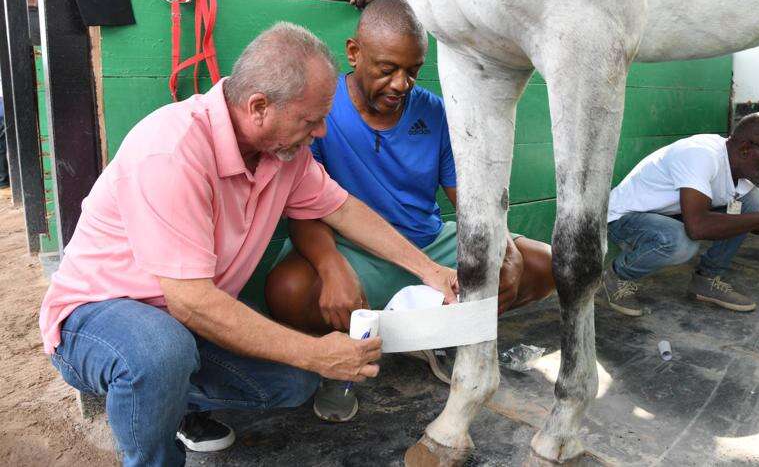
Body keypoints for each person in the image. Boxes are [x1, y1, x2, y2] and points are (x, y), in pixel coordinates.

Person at [38, 23, 457, 466]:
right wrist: (317, 352)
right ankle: (152, 446)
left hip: (184, 324)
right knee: (160, 353)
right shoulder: (171, 151)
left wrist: (429, 270)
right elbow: (191, 302)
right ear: (258, 106)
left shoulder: (283, 153)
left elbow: (343, 210)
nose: (319, 133)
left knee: (295, 383)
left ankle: (173, 401)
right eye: (310, 120)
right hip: (96, 319)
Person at [266, 0, 556, 422]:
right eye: (387, 69)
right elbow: (305, 207)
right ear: (353, 52)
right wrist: (331, 265)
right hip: (355, 252)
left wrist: (503, 248)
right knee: (288, 289)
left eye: (413, 71)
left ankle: (439, 333)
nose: (402, 83)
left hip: (428, 244)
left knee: (546, 264)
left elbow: (468, 199)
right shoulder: (324, 110)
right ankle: (343, 359)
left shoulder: (434, 112)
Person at [601, 112, 759, 316]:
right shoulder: (700, 155)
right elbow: (697, 228)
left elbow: (756, 226)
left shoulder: (741, 170)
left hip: (674, 214)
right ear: (745, 149)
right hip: (627, 216)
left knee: (752, 200)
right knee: (681, 241)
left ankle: (706, 279)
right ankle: (617, 276)